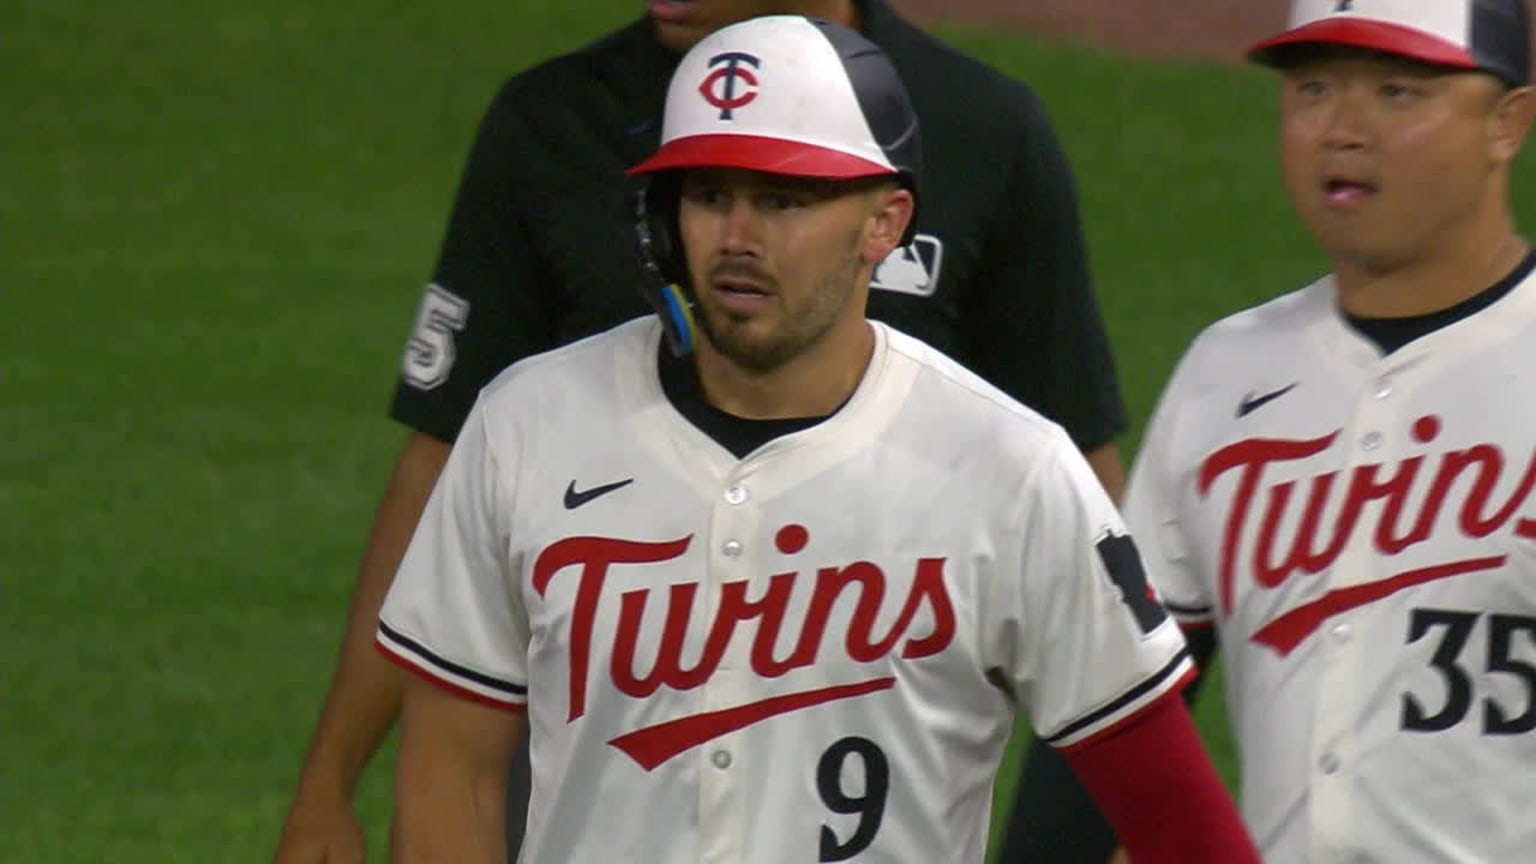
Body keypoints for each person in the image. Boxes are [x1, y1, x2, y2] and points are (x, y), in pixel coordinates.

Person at [373, 15, 1260, 863]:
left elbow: (1178, 822)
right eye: (710, 196)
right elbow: (451, 783)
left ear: (884, 222)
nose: (738, 237)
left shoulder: (1011, 473)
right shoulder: (526, 426)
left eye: (783, 199)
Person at [1006, 0, 1536, 861]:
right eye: (1314, 87)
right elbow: (1118, 714)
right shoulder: (1230, 370)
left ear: (1506, 124)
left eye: (1399, 92)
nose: (1343, 129)